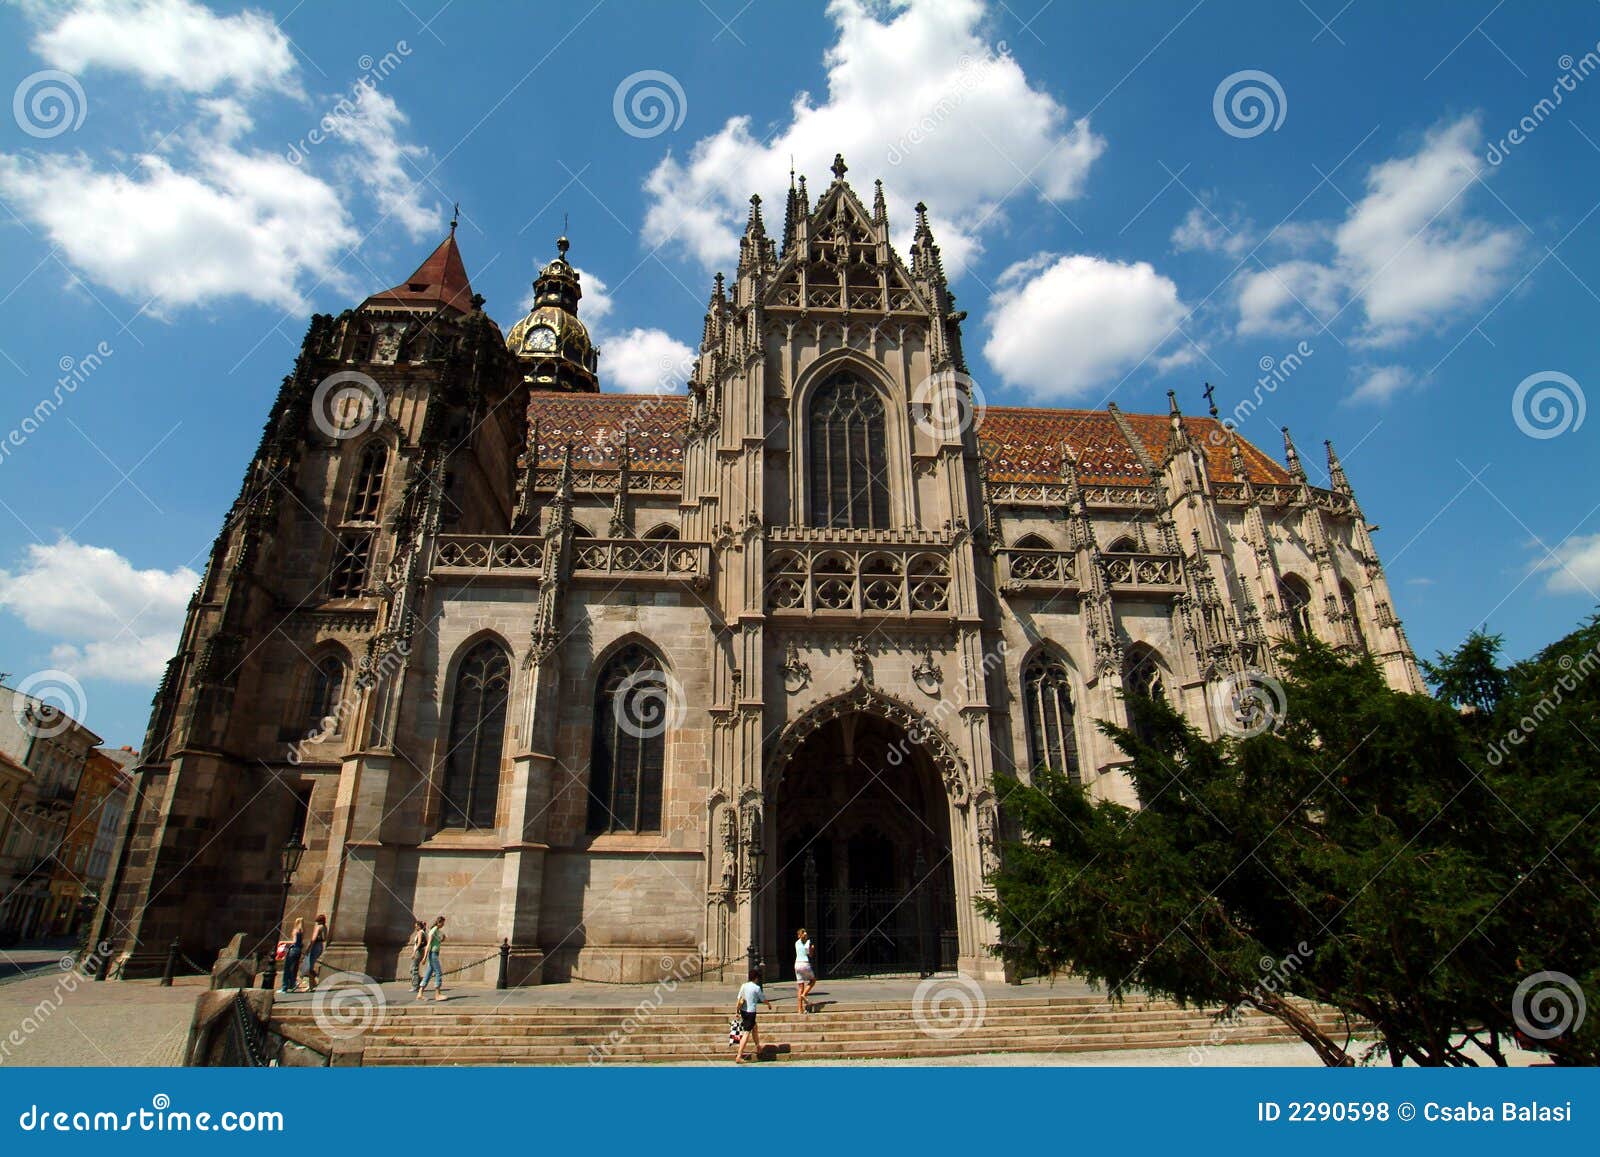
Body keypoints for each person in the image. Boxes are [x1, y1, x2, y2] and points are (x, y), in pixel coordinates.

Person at [733, 967, 772, 1064]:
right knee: (746, 1033)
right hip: (751, 1012)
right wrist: (769, 1004)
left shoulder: (744, 986)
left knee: (754, 1027)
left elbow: (739, 1000)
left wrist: (737, 1012)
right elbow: (763, 999)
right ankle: (739, 1055)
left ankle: (758, 1047)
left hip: (743, 1011)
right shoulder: (756, 988)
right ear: (756, 978)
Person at [417, 915, 447, 1001]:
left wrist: (443, 939)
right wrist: (424, 957)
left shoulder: (437, 931)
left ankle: (420, 992)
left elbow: (438, 942)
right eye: (443, 923)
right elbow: (429, 944)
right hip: (433, 954)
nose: (443, 925)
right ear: (439, 922)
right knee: (438, 972)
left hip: (435, 953)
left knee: (428, 973)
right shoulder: (433, 931)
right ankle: (437, 994)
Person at [794, 928, 817, 1014]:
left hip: (797, 964)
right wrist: (812, 948)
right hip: (805, 963)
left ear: (798, 935)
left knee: (800, 987)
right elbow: (810, 954)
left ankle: (800, 1009)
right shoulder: (808, 943)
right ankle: (804, 994)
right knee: (813, 980)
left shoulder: (796, 943)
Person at [301, 915, 328, 990]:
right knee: (311, 965)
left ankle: (310, 984)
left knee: (308, 966)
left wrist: (308, 948)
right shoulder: (324, 927)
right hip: (320, 946)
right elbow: (324, 938)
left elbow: (313, 938)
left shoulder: (318, 927)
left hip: (315, 945)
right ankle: (312, 984)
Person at [281, 917, 304, 994]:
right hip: (298, 950)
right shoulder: (302, 931)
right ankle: (293, 983)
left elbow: (294, 941)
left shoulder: (295, 930)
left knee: (287, 968)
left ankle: (285, 987)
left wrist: (283, 942)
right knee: (293, 968)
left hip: (293, 950)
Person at [407, 919, 427, 993]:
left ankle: (415, 986)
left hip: (418, 952)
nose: (415, 927)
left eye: (416, 926)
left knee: (413, 969)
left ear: (419, 926)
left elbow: (418, 943)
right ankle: (418, 981)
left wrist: (414, 952)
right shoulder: (423, 932)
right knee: (413, 968)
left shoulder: (420, 933)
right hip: (421, 951)